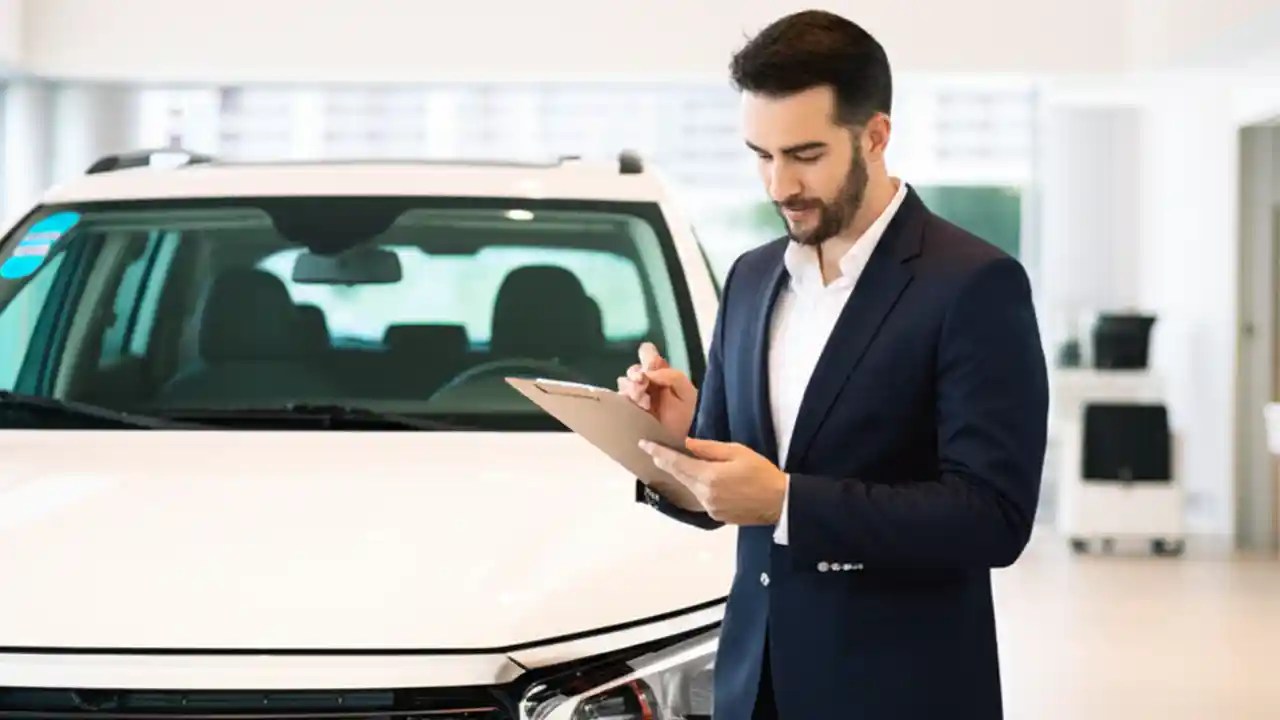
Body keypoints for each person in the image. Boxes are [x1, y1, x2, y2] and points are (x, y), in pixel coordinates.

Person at [617, 9, 1049, 720]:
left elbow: (993, 517)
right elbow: (738, 484)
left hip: (900, 692)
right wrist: (681, 435)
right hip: (753, 687)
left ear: (876, 135)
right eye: (761, 155)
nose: (779, 185)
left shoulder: (974, 283)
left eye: (805, 154)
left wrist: (788, 502)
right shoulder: (753, 277)